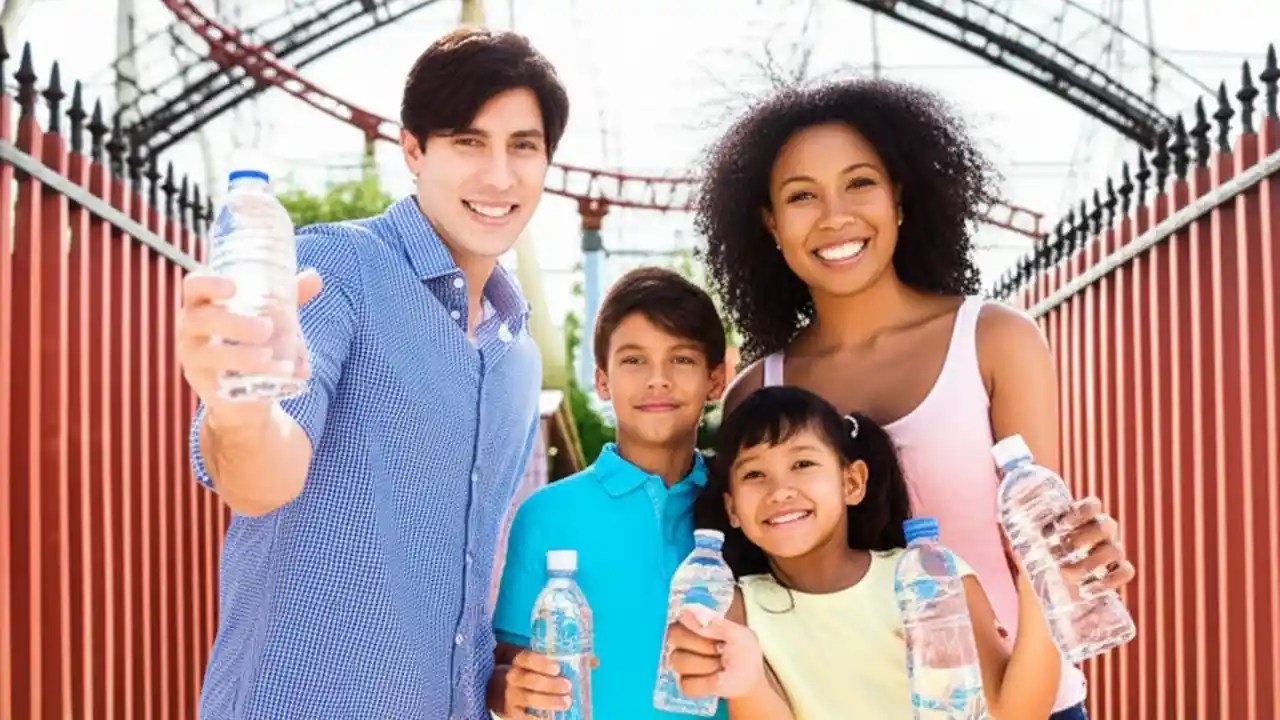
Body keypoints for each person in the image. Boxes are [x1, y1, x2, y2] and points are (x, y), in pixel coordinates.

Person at [697, 79, 1134, 719]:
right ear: (769, 223)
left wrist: (1082, 553)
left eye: (860, 183)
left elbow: (1045, 549)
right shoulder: (755, 394)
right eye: (800, 197)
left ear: (899, 195)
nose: (834, 216)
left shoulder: (993, 341)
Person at [176, 27, 569, 718]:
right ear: (414, 150)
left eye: (523, 147)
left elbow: (469, 591)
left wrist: (497, 684)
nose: (500, 176)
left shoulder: (518, 355)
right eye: (468, 141)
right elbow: (261, 479)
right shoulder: (337, 270)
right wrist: (239, 409)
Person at [666, 385, 1063, 718]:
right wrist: (747, 681)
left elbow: (1017, 712)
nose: (780, 490)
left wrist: (1042, 575)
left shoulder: (930, 575)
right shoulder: (736, 608)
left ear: (852, 482)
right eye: (754, 474)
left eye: (803, 463)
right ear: (733, 509)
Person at [489, 267, 729, 719]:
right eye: (634, 360)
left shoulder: (741, 507)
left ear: (715, 379)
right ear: (602, 380)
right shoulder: (546, 515)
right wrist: (514, 687)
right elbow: (506, 660)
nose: (658, 379)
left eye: (681, 359)